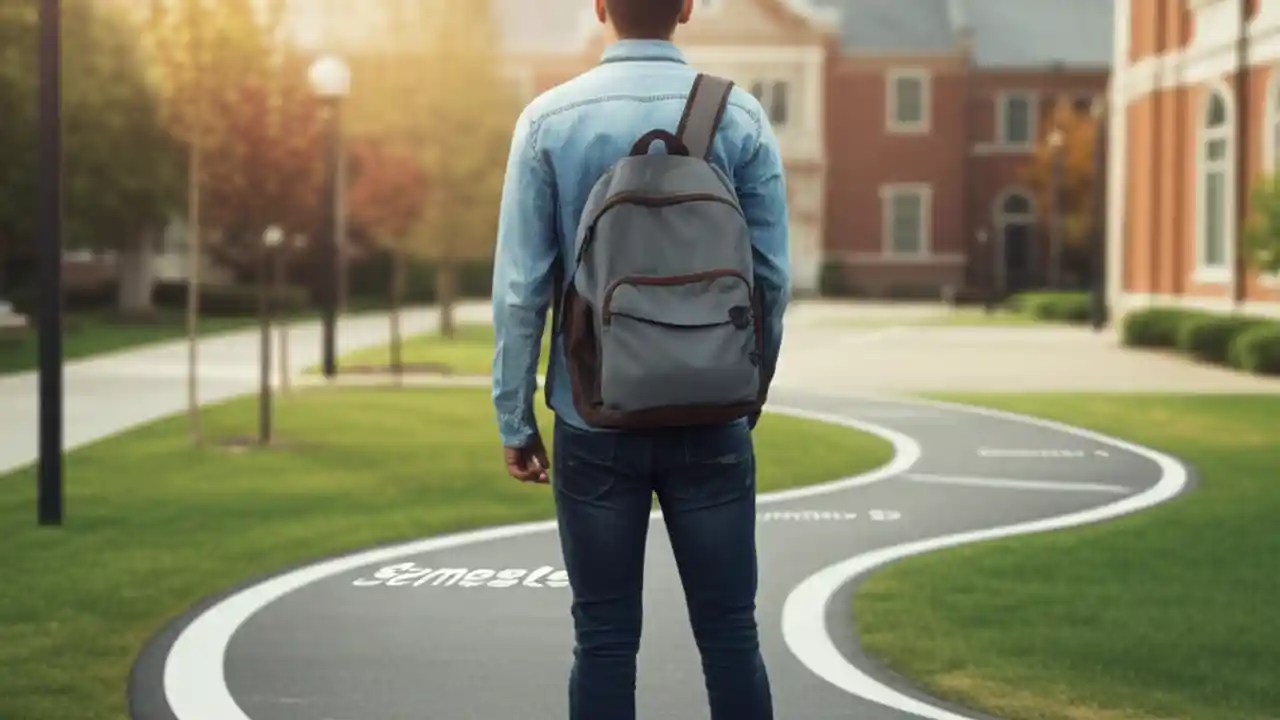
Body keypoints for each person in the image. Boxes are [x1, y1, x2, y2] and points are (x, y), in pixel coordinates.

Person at [491, 1, 790, 718]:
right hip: (712, 417)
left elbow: (521, 292)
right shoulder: (739, 117)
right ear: (687, 7)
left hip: (594, 420)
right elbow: (771, 279)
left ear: (599, 6)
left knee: (602, 638)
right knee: (729, 633)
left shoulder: (547, 122)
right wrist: (746, 387)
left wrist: (514, 416)